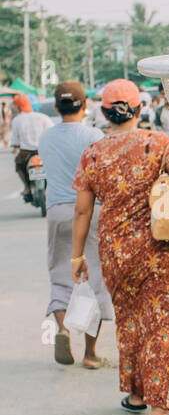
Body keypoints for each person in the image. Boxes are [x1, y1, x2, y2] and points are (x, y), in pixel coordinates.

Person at [69, 78, 169, 415]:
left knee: (130, 322)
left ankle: (136, 394)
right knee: (162, 324)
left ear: (105, 113)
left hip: (114, 252)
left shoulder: (92, 153)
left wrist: (78, 257)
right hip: (158, 249)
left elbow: (82, 211)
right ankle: (162, 406)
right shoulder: (158, 143)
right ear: (139, 109)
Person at [37, 80, 113, 368]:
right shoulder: (94, 135)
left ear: (57, 107)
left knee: (60, 273)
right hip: (90, 213)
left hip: (57, 211)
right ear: (84, 105)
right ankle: (91, 353)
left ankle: (63, 329)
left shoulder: (45, 138)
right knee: (95, 277)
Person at [10, 94, 53, 204]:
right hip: (43, 151)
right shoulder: (43, 117)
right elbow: (52, 133)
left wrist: (15, 146)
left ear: (18, 107)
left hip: (26, 152)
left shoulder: (17, 120)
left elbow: (14, 141)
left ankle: (27, 188)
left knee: (19, 165)